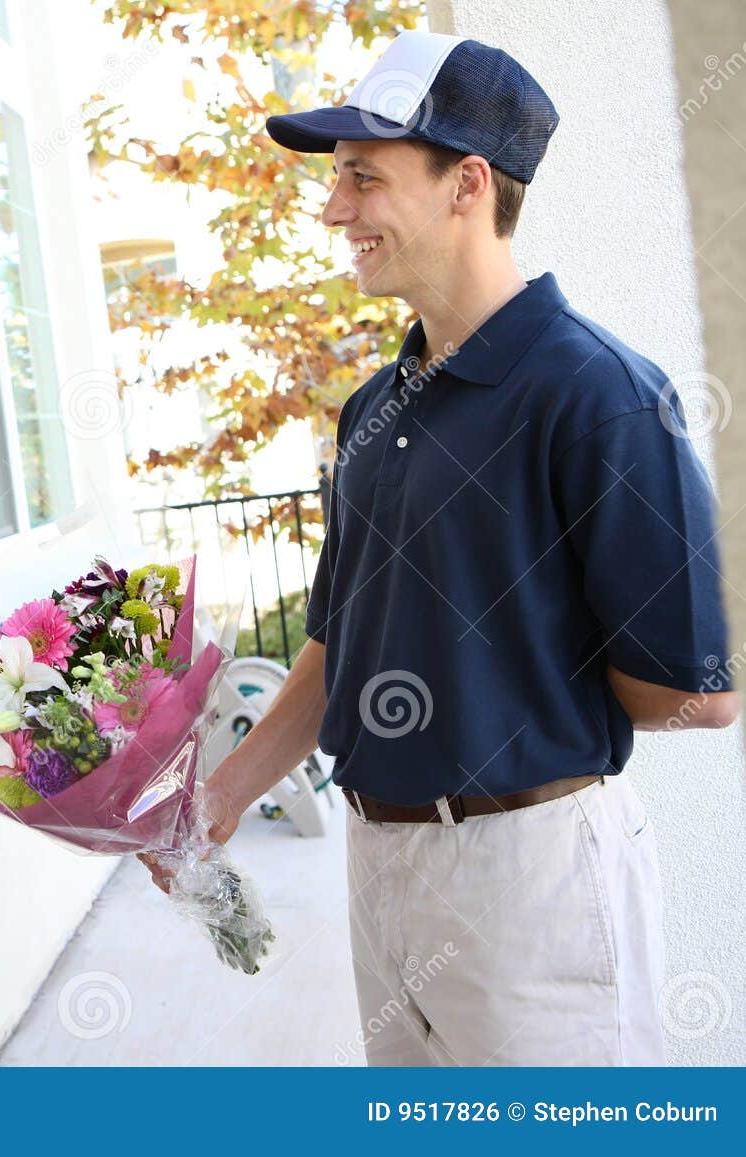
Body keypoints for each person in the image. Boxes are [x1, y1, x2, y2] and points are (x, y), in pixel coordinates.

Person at [147, 31, 737, 1065]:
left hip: (530, 875)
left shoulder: (598, 391)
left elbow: (697, 689)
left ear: (467, 183)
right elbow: (341, 636)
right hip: (379, 861)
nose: (334, 209)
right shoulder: (372, 407)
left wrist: (503, 663)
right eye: (337, 181)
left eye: (364, 180)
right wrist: (224, 790)